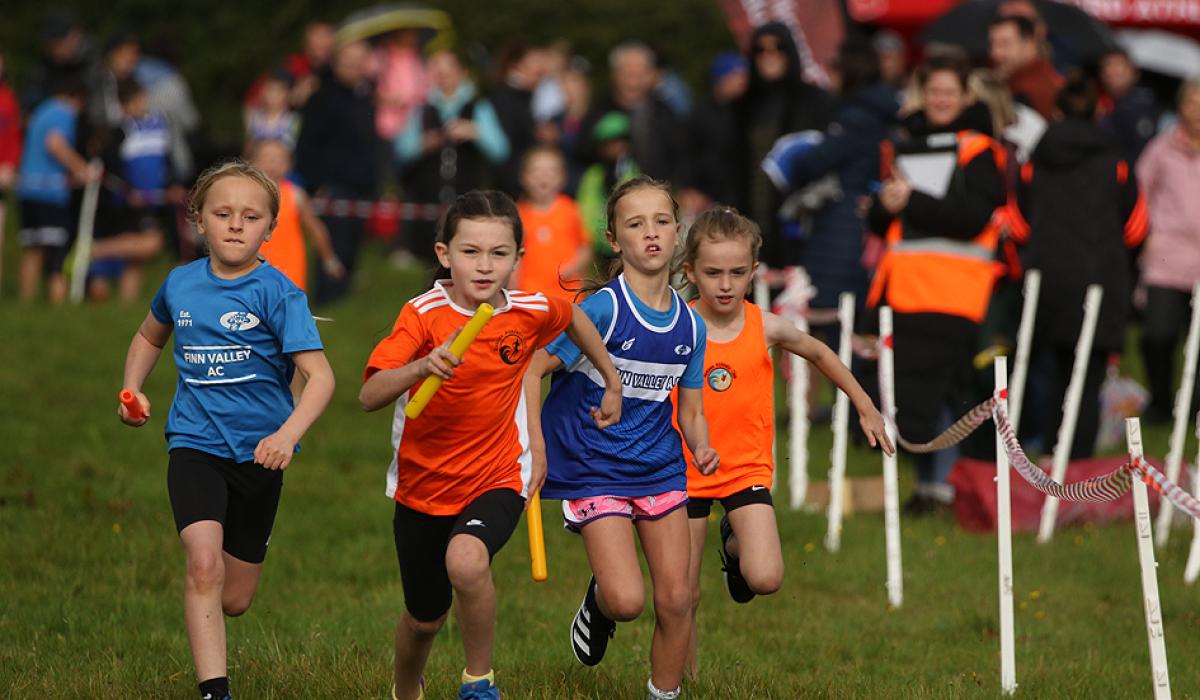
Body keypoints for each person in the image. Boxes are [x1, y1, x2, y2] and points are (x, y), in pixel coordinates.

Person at [359, 190, 621, 700]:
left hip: (500, 473)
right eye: (470, 252)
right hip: (423, 485)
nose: (485, 266)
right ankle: (406, 689)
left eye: (499, 254)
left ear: (518, 259)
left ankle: (479, 681)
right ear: (443, 255)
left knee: (467, 560)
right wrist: (420, 366)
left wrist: (610, 379)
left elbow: (574, 318)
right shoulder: (421, 315)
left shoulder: (528, 310)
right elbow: (369, 394)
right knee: (423, 619)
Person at [117, 159, 336, 700]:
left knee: (234, 597)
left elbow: (322, 378)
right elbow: (149, 337)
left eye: (250, 216)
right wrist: (133, 389)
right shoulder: (179, 284)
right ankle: (215, 691)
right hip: (194, 445)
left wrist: (287, 435)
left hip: (261, 457)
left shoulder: (278, 293)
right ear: (198, 220)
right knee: (203, 563)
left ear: (269, 228)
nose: (236, 225)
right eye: (223, 213)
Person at [524, 176, 717, 700]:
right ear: (614, 239)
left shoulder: (692, 327)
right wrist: (535, 448)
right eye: (636, 224)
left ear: (678, 232)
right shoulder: (605, 310)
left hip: (660, 466)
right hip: (593, 469)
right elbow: (533, 370)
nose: (651, 234)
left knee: (677, 600)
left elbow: (692, 409)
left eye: (661, 222)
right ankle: (601, 600)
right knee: (628, 600)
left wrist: (700, 446)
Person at [679, 207, 892, 675]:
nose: (725, 284)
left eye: (737, 273)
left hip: (746, 468)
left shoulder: (764, 326)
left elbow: (818, 351)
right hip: (685, 472)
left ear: (755, 272)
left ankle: (734, 542)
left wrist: (864, 404)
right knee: (683, 595)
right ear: (689, 271)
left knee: (766, 576)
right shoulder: (677, 325)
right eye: (713, 273)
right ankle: (683, 682)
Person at [865, 53, 1006, 514]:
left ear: (966, 96)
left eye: (950, 91)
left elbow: (972, 217)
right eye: (934, 91)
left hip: (952, 293)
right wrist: (885, 205)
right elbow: (893, 224)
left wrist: (911, 201)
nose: (941, 99)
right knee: (913, 397)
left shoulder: (979, 149)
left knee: (937, 392)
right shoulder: (908, 142)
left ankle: (943, 488)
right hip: (906, 289)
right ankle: (931, 487)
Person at [1007, 74, 1147, 457]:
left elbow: (1017, 223)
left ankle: (1030, 453)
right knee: (1085, 376)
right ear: (1100, 110)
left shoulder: (1037, 158)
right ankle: (1076, 460)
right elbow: (1136, 228)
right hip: (1101, 280)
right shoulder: (1116, 159)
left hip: (1044, 280)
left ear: (1056, 110)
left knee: (1041, 370)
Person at [395, 50, 510, 265]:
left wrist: (475, 132)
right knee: (431, 262)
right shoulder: (422, 109)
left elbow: (501, 150)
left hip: (467, 196)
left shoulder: (478, 107)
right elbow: (402, 150)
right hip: (428, 198)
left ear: (462, 73)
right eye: (438, 72)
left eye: (449, 71)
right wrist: (424, 143)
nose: (444, 77)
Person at [735, 22, 833, 273]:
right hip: (749, 224)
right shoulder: (742, 107)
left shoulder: (815, 101)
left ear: (789, 52)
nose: (769, 57)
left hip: (800, 225)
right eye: (761, 50)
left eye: (777, 49)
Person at [295, 40, 380, 305]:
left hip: (361, 184)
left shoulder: (366, 95)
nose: (353, 67)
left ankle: (344, 297)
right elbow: (307, 143)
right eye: (347, 61)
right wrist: (314, 184)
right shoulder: (322, 96)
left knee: (352, 244)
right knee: (332, 245)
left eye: (358, 61)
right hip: (332, 185)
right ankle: (327, 300)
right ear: (336, 62)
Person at [1136, 78, 1200, 424]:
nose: (1198, 111)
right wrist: (1147, 239)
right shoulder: (1161, 149)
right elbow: (1139, 193)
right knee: (1157, 336)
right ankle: (1161, 402)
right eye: (1192, 103)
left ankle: (1192, 409)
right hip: (1167, 259)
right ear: (1180, 107)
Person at [89, 78, 178, 302]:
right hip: (128, 202)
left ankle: (126, 304)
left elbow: (166, 160)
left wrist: (171, 184)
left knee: (136, 258)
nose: (142, 104)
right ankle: (93, 250)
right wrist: (127, 191)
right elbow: (109, 167)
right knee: (150, 244)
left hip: (154, 198)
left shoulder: (160, 124)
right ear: (124, 103)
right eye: (136, 101)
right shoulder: (119, 130)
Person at [16, 77, 94, 303]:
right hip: (49, 192)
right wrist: (82, 169)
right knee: (57, 253)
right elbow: (55, 144)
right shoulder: (63, 112)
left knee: (33, 250)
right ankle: (57, 304)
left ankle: (25, 302)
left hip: (28, 189)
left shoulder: (41, 111)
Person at [250, 138, 343, 293]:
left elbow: (315, 228)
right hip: (254, 271)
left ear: (289, 165)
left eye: (278, 159)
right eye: (266, 158)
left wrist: (329, 259)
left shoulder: (295, 195)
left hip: (289, 272)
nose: (272, 164)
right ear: (253, 163)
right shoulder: (245, 195)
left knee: (289, 312)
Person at [515, 146, 590, 303]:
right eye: (536, 171)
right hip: (531, 295)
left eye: (551, 171)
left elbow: (585, 247)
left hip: (568, 294)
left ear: (563, 178)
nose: (544, 177)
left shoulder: (569, 209)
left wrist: (574, 266)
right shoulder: (518, 214)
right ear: (523, 177)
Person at [576, 112, 640, 259]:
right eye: (608, 143)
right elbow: (584, 209)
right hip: (597, 249)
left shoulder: (634, 174)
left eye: (619, 141)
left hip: (627, 248)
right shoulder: (593, 175)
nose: (614, 147)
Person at [688, 52, 748, 208]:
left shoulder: (748, 110)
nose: (742, 81)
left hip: (741, 193)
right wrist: (694, 188)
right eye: (737, 76)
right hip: (710, 195)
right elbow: (690, 154)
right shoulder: (701, 113)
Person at [988, 15, 1063, 121]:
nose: (995, 53)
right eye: (992, 44)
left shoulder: (1041, 89)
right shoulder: (1008, 81)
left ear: (1029, 44)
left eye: (1005, 44)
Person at [1097, 48, 1159, 165]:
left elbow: (1143, 152)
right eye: (1106, 66)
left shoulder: (1140, 105)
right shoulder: (1102, 102)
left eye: (1118, 66)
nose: (1110, 71)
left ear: (1134, 72)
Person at [244, 68, 300, 151]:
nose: (274, 95)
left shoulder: (293, 119)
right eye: (270, 89)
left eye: (279, 91)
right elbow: (248, 147)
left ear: (288, 94)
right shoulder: (254, 118)